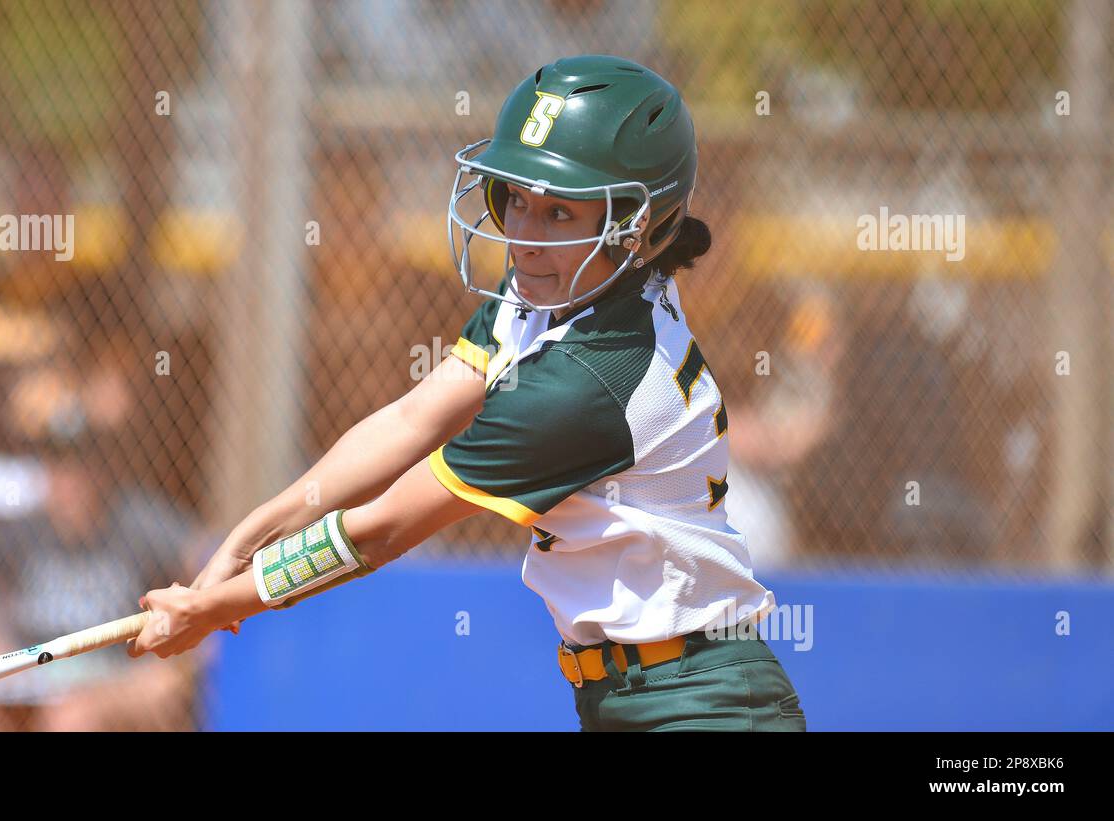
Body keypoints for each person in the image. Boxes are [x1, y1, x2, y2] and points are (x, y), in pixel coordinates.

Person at [129, 54, 807, 731]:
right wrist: (243, 541)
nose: (525, 238)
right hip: (635, 695)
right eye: (517, 198)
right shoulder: (572, 290)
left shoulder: (590, 379)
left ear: (637, 223)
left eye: (560, 211)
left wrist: (219, 607)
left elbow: (384, 527)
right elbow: (411, 417)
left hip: (699, 704)